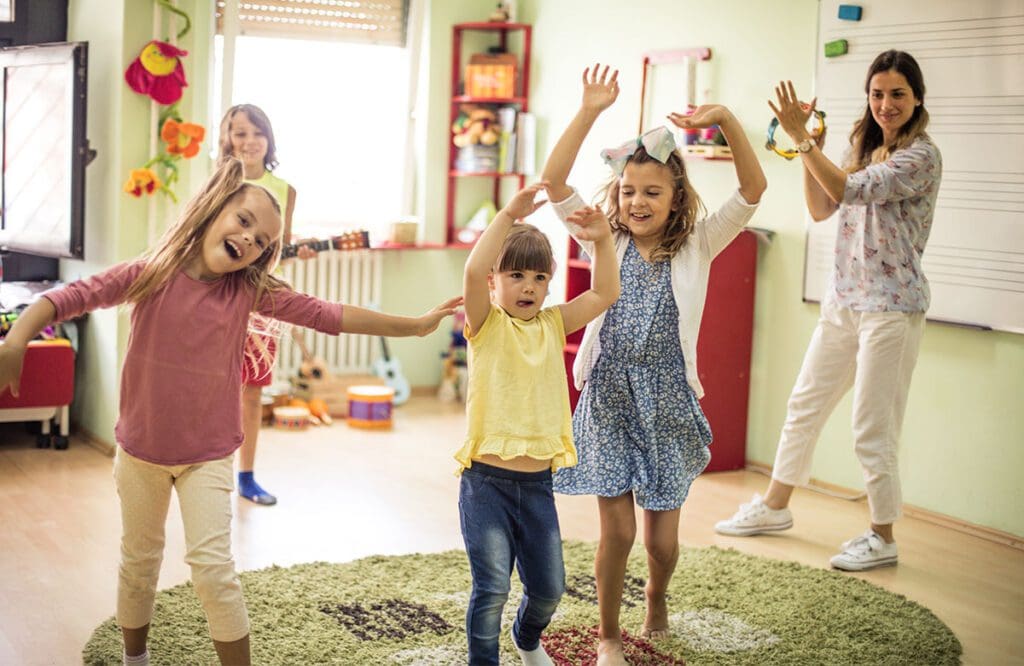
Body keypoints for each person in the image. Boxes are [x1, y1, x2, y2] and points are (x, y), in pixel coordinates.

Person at [0, 158, 460, 666]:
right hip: (140, 454)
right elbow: (68, 298)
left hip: (209, 457)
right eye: (244, 221)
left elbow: (331, 315)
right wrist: (17, 339)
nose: (250, 240)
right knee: (139, 563)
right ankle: (135, 660)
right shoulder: (150, 273)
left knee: (214, 570)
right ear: (215, 209)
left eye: (263, 241)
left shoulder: (248, 292)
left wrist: (415, 325)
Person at [543, 65, 766, 665]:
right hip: (609, 397)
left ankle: (658, 595)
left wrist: (724, 121)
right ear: (614, 195)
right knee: (616, 532)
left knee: (659, 540)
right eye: (628, 191)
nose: (637, 201)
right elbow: (553, 180)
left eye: (652, 192)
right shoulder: (600, 237)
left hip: (667, 401)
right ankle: (609, 634)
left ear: (676, 199)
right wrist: (590, 110)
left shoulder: (700, 243)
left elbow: (752, 191)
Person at [715, 51, 941, 572]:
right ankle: (774, 507)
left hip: (891, 308)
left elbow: (845, 189)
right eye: (877, 94)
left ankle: (882, 536)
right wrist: (803, 150)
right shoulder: (861, 146)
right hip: (844, 300)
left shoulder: (921, 157)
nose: (885, 104)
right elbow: (822, 208)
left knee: (872, 426)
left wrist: (805, 143)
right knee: (804, 405)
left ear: (917, 99)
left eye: (897, 94)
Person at [456, 181, 620, 665]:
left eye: (538, 277)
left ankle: (526, 639)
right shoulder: (485, 324)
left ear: (549, 283)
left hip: (538, 485)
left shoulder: (552, 324)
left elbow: (606, 291)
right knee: (490, 590)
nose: (528, 286)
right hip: (485, 483)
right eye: (515, 275)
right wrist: (508, 214)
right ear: (495, 281)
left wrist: (604, 240)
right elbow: (471, 267)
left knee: (549, 590)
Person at [218, 103, 311, 506]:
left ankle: (247, 476)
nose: (249, 141)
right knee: (210, 388)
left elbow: (278, 250)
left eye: (257, 133)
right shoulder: (217, 183)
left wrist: (299, 251)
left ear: (268, 139)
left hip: (258, 300)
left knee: (252, 391)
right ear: (227, 139)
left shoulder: (285, 190)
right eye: (240, 133)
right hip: (215, 296)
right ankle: (206, 471)